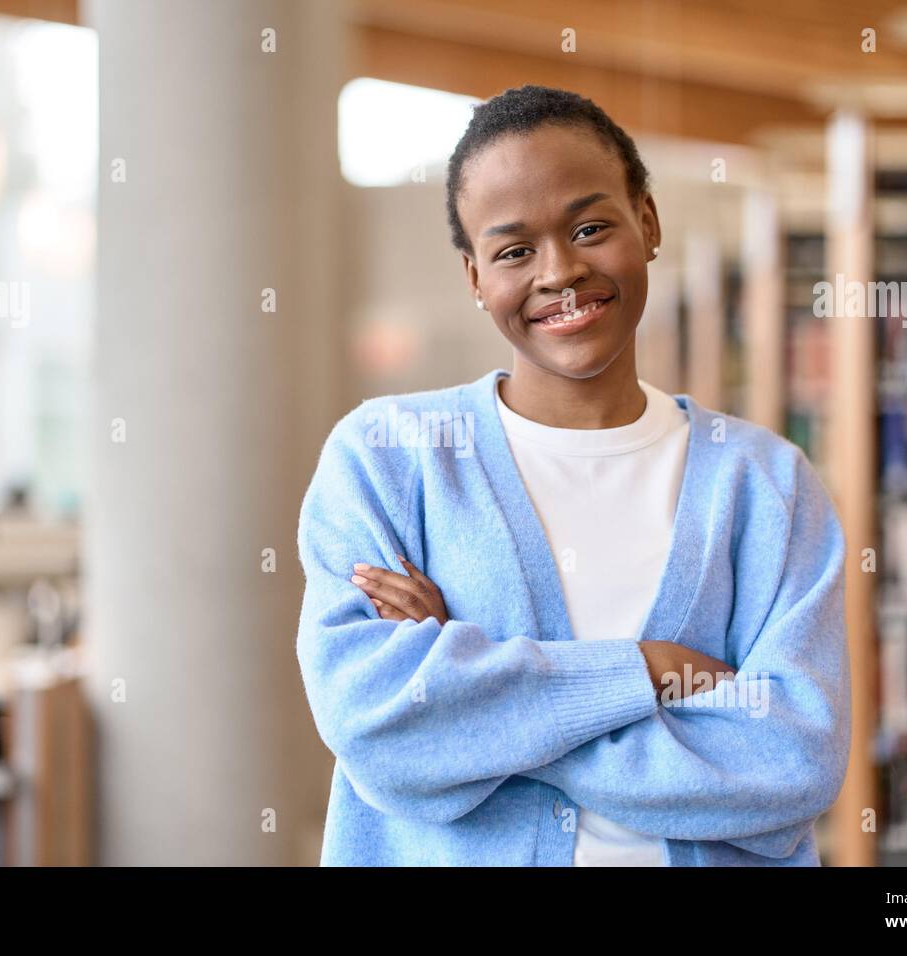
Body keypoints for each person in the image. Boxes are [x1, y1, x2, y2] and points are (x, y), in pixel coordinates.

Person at [295, 84, 851, 866]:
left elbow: (793, 762)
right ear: (474, 276)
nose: (559, 271)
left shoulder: (766, 485)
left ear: (647, 224)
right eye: (514, 250)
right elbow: (376, 725)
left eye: (590, 227)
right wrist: (646, 671)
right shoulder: (388, 458)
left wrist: (479, 719)